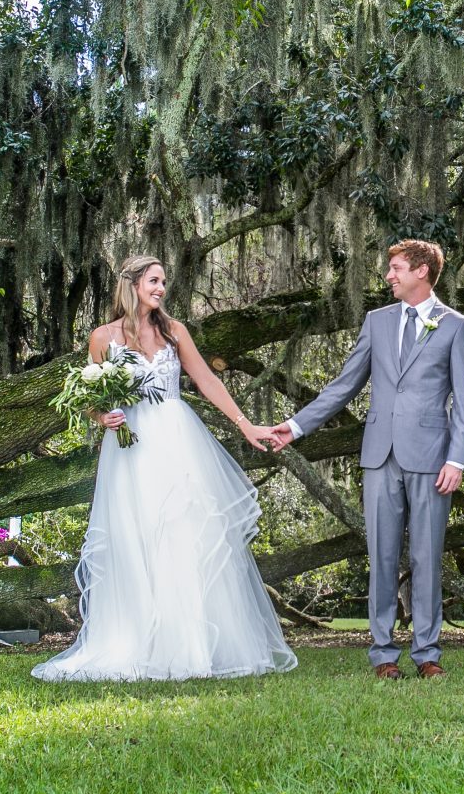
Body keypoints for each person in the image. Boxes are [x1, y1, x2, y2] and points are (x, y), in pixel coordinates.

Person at [31, 255, 296, 683]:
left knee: (184, 535)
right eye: (154, 281)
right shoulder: (103, 337)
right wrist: (103, 418)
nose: (161, 288)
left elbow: (207, 381)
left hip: (178, 442)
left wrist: (245, 425)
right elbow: (91, 395)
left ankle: (193, 646)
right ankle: (142, 642)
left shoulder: (174, 332)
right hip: (131, 449)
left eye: (164, 282)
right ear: (133, 283)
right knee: (137, 537)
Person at [271, 239, 464, 678]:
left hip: (431, 457)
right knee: (382, 555)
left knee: (426, 556)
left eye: (397, 268)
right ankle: (383, 653)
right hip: (379, 455)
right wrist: (296, 426)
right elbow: (343, 385)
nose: (389, 275)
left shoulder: (456, 327)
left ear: (422, 271)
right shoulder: (377, 322)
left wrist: (456, 460)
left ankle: (428, 654)